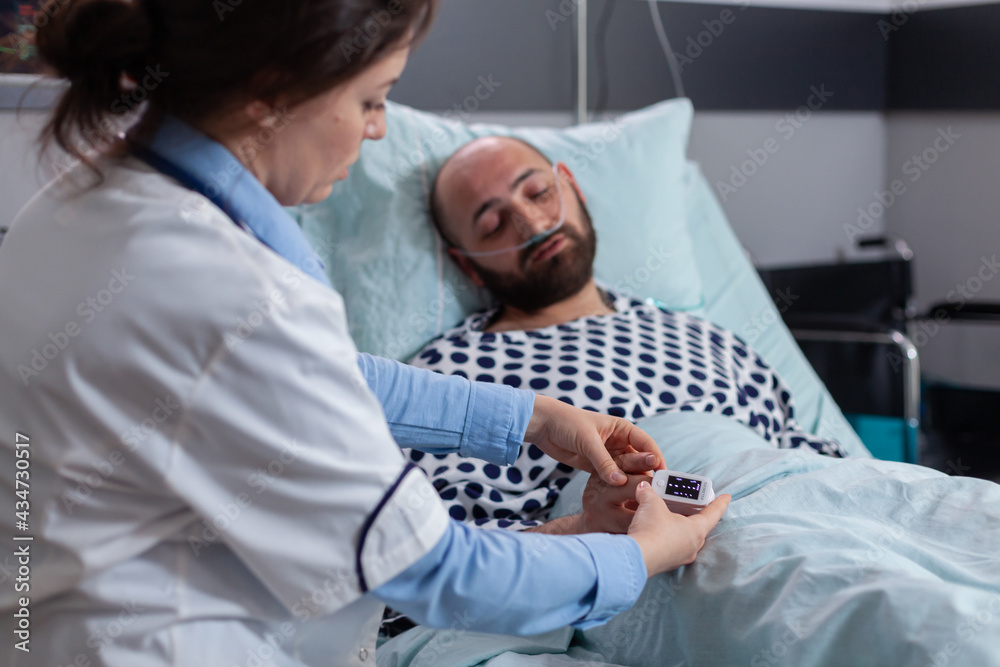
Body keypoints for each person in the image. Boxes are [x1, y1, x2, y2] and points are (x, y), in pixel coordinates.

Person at [0, 2, 730, 666]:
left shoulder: (73, 204)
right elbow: (439, 574)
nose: (378, 128)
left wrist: (531, 418)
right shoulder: (227, 287)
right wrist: (642, 555)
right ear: (272, 92)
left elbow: (317, 375)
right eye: (371, 100)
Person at [406, 135, 842, 534]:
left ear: (572, 187)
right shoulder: (446, 380)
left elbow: (815, 460)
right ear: (467, 265)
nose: (533, 224)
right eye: (493, 225)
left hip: (817, 509)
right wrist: (582, 529)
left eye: (539, 192)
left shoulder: (705, 337)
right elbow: (436, 551)